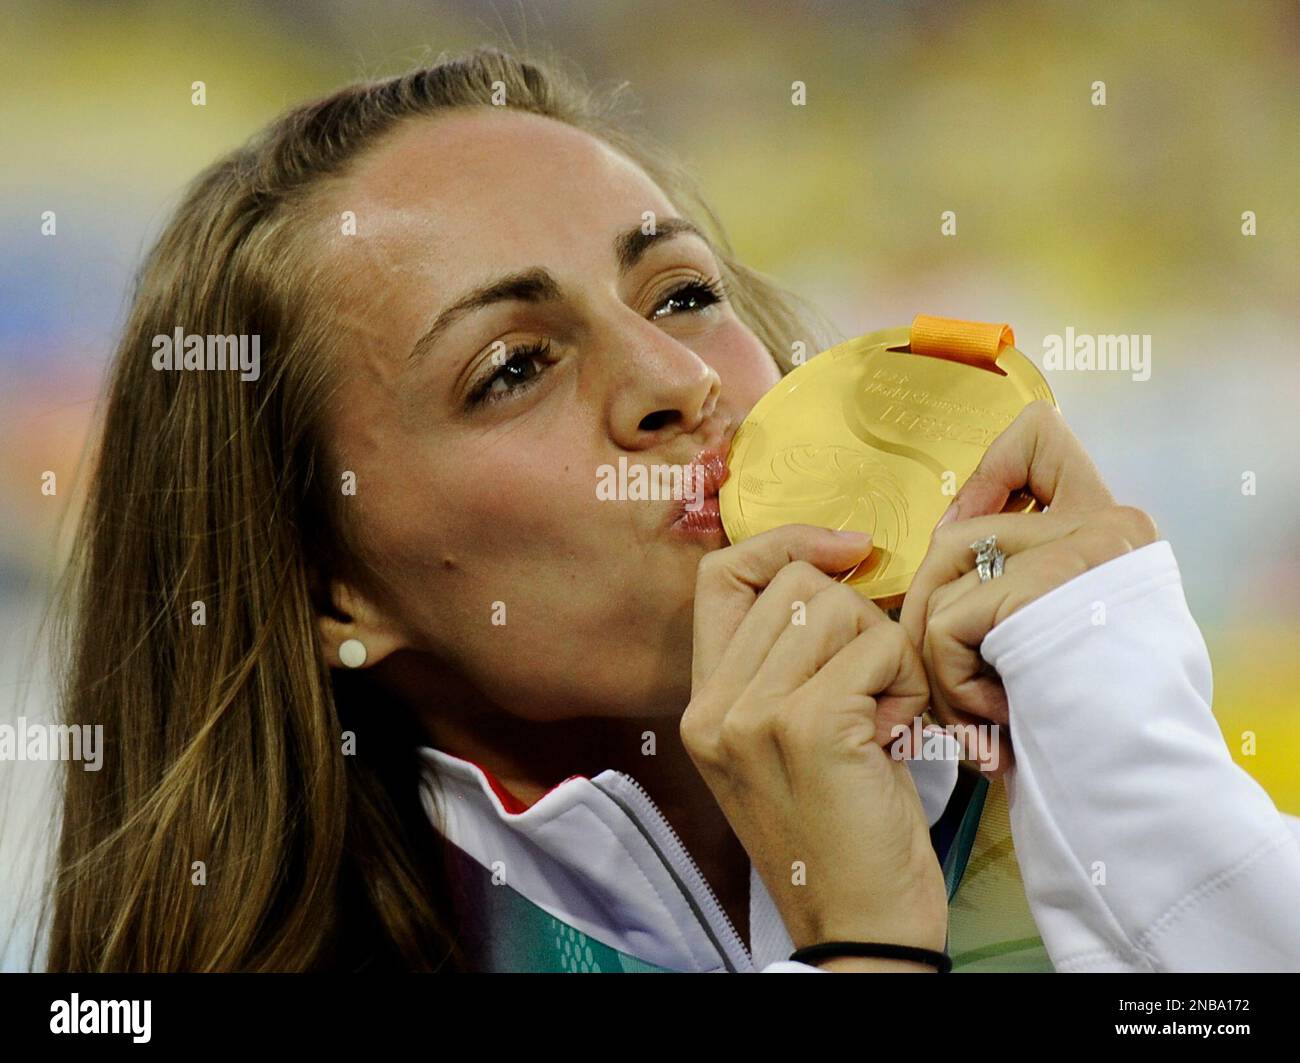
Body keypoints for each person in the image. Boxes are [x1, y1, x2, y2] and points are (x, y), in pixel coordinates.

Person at [40, 46, 1300, 973]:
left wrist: (1134, 754)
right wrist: (859, 945)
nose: (676, 381)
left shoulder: (1046, 746)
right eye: (513, 368)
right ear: (333, 591)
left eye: (683, 293)